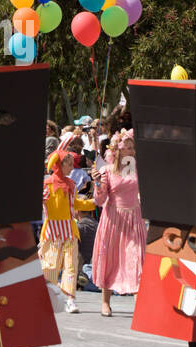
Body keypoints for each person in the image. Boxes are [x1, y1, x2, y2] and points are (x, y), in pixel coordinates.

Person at [90, 129, 145, 316]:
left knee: (136, 258)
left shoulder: (135, 168)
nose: (132, 151)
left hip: (134, 219)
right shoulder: (106, 170)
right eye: (127, 148)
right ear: (118, 150)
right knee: (111, 259)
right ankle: (105, 302)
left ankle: (140, 305)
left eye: (132, 147)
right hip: (113, 219)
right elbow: (99, 200)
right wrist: (97, 183)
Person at [40, 145, 97, 313]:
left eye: (72, 164)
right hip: (52, 231)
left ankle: (71, 299)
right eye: (69, 164)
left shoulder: (71, 184)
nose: (72, 167)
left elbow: (76, 204)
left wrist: (93, 202)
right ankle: (48, 298)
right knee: (50, 266)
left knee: (71, 265)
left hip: (70, 231)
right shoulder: (47, 184)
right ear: (59, 164)